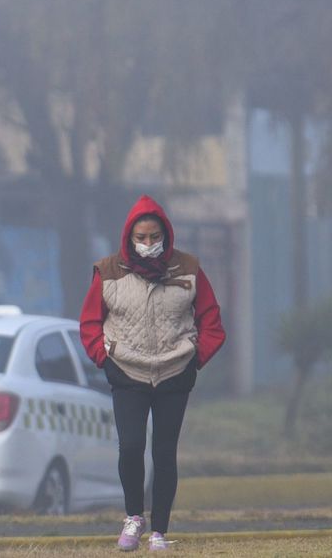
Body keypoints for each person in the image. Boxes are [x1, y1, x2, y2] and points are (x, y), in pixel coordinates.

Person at [79, 195, 225, 552]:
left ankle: (159, 530)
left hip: (175, 372)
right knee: (130, 447)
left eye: (154, 236)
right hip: (126, 371)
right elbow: (89, 324)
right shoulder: (108, 271)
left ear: (166, 235)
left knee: (164, 452)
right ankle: (133, 518)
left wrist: (194, 358)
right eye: (140, 238)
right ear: (129, 237)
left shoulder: (188, 269)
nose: (147, 244)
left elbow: (212, 323)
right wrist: (105, 356)